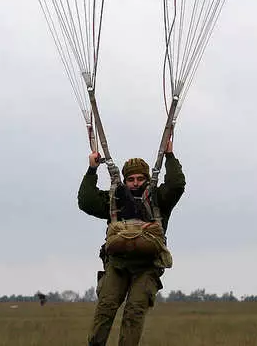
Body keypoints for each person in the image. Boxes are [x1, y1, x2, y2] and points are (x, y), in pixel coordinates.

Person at [78, 140, 186, 346]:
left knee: (134, 312)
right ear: (125, 181)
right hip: (117, 265)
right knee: (106, 307)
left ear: (146, 179)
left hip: (147, 268)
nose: (135, 183)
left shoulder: (158, 199)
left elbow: (176, 185)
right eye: (131, 179)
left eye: (140, 179)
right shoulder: (114, 199)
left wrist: (170, 157)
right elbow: (86, 201)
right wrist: (92, 169)